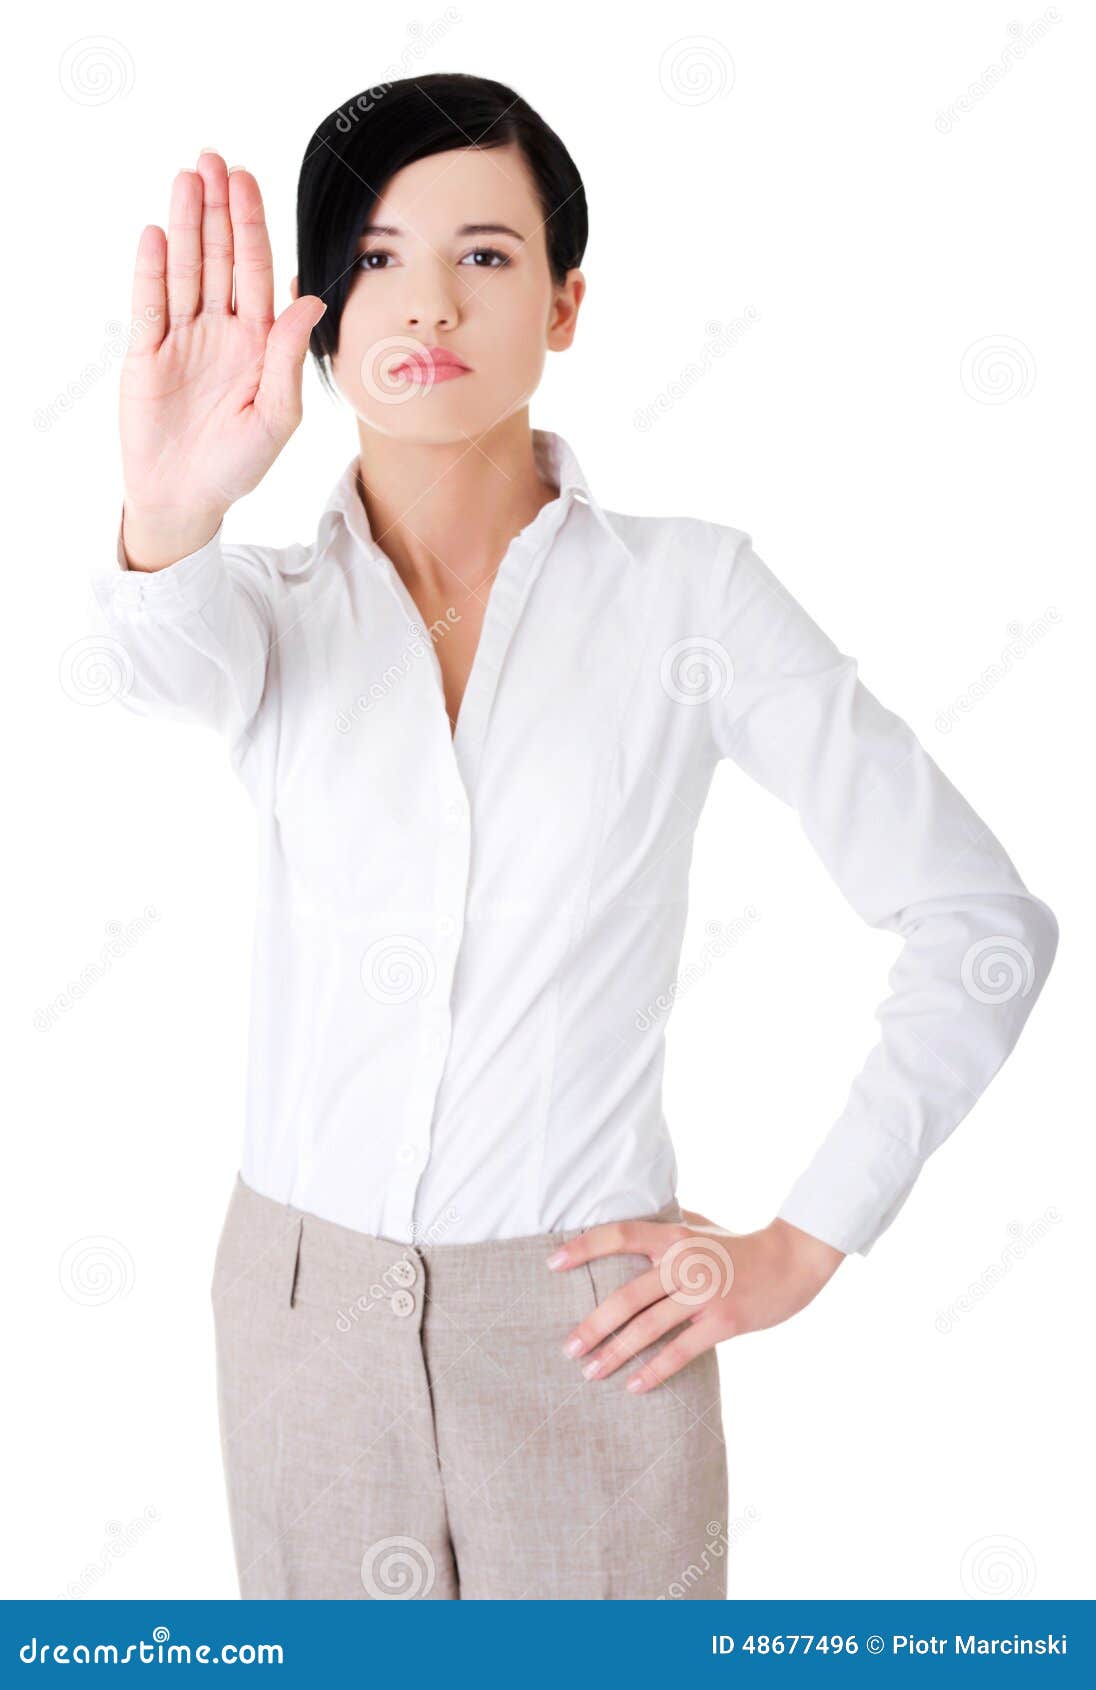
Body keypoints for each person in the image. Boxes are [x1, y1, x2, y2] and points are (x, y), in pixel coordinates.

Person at [88, 73, 1058, 1601]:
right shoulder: (259, 608)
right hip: (295, 1323)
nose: (428, 301)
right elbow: (143, 668)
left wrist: (804, 1241)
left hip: (588, 1328)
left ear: (567, 303)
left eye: (484, 255)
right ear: (321, 315)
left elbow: (981, 922)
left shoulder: (694, 595)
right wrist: (169, 496)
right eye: (378, 257)